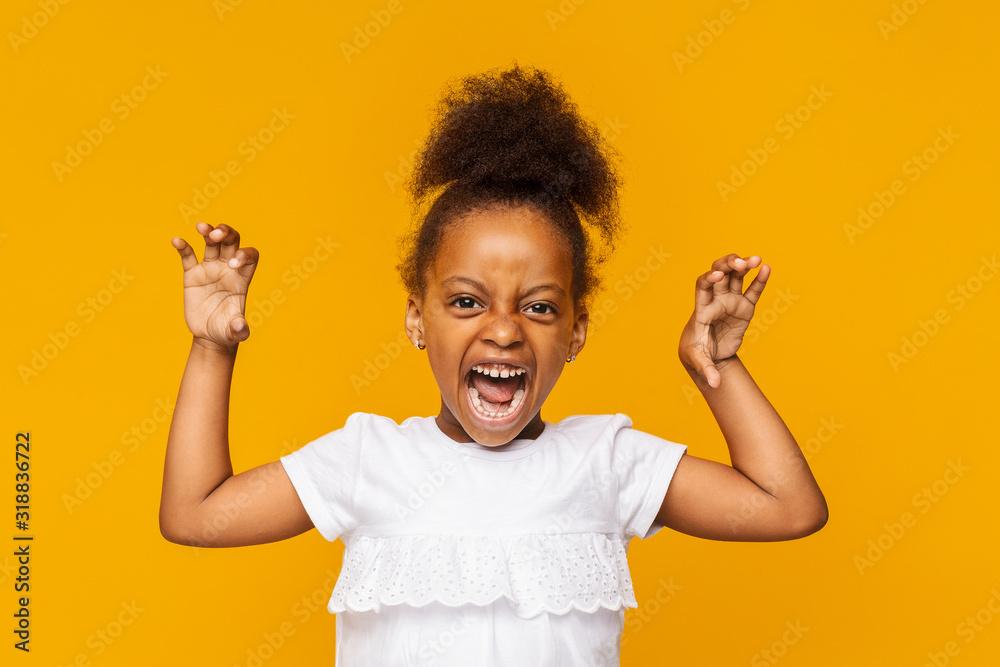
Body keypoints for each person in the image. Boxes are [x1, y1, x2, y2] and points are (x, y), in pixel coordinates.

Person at [159, 62, 828, 666]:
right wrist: (213, 348)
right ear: (418, 317)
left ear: (576, 330)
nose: (504, 329)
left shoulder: (607, 461)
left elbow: (787, 506)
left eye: (538, 308)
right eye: (467, 301)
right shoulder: (366, 459)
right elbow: (195, 512)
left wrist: (721, 367)